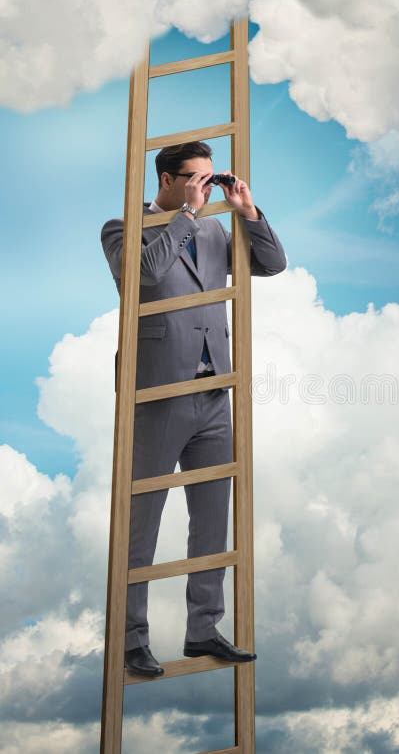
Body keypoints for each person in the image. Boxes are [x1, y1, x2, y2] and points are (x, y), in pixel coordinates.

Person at [101, 140, 286, 677]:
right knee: (143, 522)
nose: (207, 187)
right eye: (197, 178)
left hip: (214, 391)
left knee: (211, 519)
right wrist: (186, 214)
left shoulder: (213, 229)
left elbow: (272, 264)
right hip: (156, 393)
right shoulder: (122, 228)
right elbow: (148, 274)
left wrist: (247, 212)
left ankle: (203, 629)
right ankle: (133, 640)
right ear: (167, 180)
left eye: (213, 178)